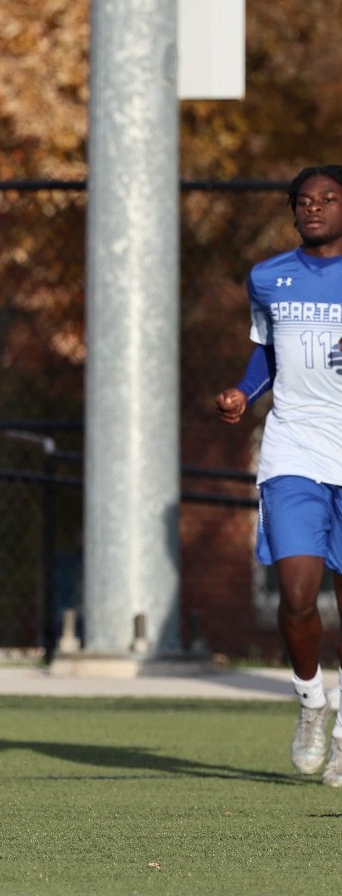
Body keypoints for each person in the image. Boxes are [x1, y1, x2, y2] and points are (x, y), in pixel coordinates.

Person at [215, 164, 342, 788]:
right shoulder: (269, 277)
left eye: (328, 198)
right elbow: (266, 351)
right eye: (304, 200)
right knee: (296, 593)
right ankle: (312, 701)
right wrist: (243, 392)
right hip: (294, 448)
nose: (313, 207)